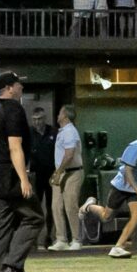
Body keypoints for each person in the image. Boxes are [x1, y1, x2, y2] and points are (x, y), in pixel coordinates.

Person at [0, 72, 40, 272]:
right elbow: (14, 147)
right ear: (9, 88)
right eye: (18, 84)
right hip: (8, 174)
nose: (21, 88)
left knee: (1, 228)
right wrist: (24, 180)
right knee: (35, 217)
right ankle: (12, 267)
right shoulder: (13, 109)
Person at [81, 116, 137, 258]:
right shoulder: (136, 146)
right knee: (106, 217)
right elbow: (128, 171)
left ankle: (118, 246)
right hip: (122, 185)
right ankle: (88, 206)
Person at [48, 106, 85, 252]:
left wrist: (58, 172)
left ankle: (77, 239)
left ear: (65, 116)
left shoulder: (70, 131)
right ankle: (61, 239)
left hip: (72, 172)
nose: (57, 114)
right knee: (56, 206)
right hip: (62, 171)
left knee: (71, 206)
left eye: (60, 112)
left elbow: (69, 154)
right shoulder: (63, 131)